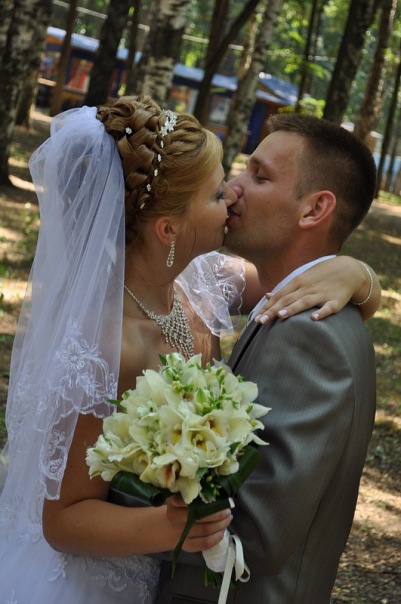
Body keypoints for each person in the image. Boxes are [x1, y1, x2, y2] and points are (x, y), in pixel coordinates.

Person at [0, 98, 379, 604]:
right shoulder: (106, 345)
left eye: (250, 178)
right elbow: (63, 517)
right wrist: (170, 524)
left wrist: (358, 273)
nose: (234, 193)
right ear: (169, 228)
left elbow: (294, 282)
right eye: (218, 192)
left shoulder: (203, 281)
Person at [156, 113, 379, 603]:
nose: (233, 188)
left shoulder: (308, 336)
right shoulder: (288, 307)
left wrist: (107, 495)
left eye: (259, 177)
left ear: (315, 209)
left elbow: (255, 531)